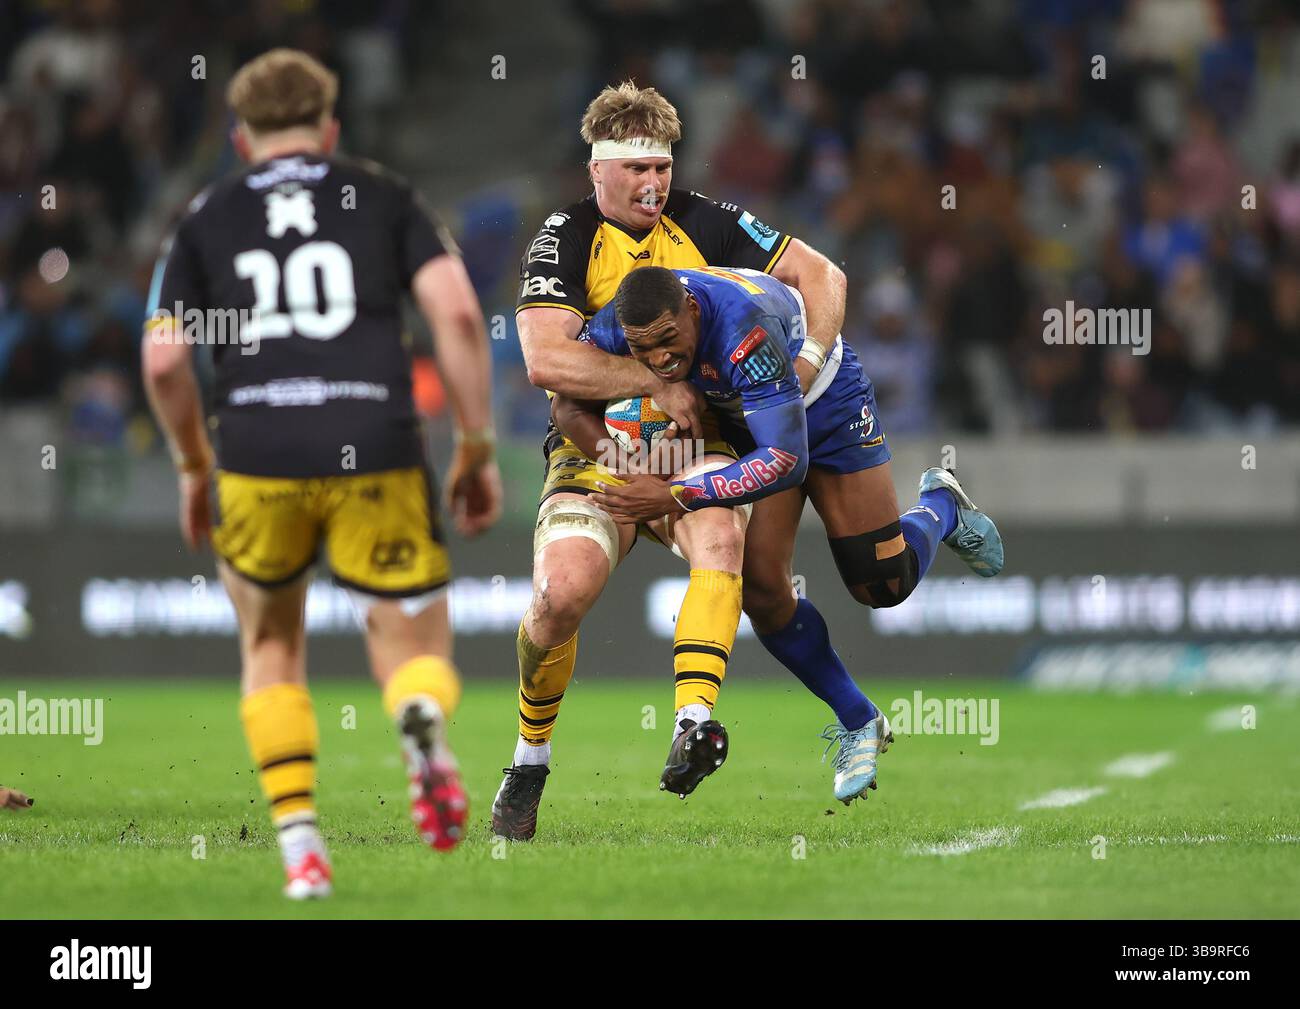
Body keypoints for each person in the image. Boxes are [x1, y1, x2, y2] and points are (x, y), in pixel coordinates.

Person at [142, 49, 500, 899]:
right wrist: (475, 442)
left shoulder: (205, 215)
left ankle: (302, 846)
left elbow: (163, 360)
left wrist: (192, 465)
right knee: (408, 638)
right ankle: (418, 715)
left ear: (240, 138)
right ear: (330, 128)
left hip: (256, 449)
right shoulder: (381, 195)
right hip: (373, 438)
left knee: (271, 642)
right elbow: (456, 312)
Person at [494, 81, 862, 839]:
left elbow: (824, 275)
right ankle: (529, 761)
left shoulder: (706, 220)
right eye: (635, 168)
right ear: (597, 170)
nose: (653, 183)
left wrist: (807, 362)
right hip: (595, 444)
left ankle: (692, 725)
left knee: (721, 537)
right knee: (560, 596)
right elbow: (545, 362)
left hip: (697, 443)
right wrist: (658, 380)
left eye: (661, 166)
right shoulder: (564, 236)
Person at [581, 266, 1004, 803]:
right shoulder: (620, 324)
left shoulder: (744, 333)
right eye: (644, 350)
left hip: (824, 405)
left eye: (668, 340)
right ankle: (859, 720)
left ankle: (941, 505)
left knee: (883, 584)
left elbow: (785, 459)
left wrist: (676, 494)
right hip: (749, 415)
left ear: (691, 309)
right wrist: (625, 446)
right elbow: (565, 385)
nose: (660, 358)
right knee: (760, 589)